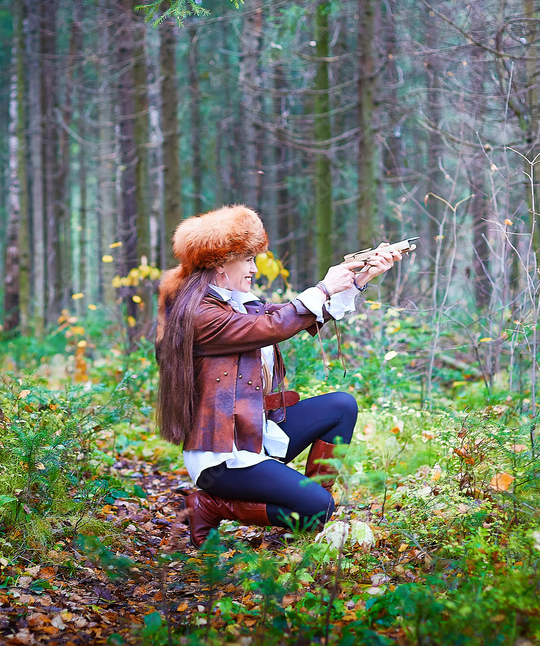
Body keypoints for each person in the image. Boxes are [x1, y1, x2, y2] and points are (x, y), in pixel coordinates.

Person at [155, 205, 402, 548]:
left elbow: (294, 317)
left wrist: (357, 279)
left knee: (342, 406)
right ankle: (210, 506)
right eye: (248, 259)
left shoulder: (238, 304)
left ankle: (313, 507)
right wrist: (324, 288)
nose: (255, 269)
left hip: (256, 434)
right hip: (224, 455)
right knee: (320, 509)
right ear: (221, 263)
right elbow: (273, 326)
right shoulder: (199, 313)